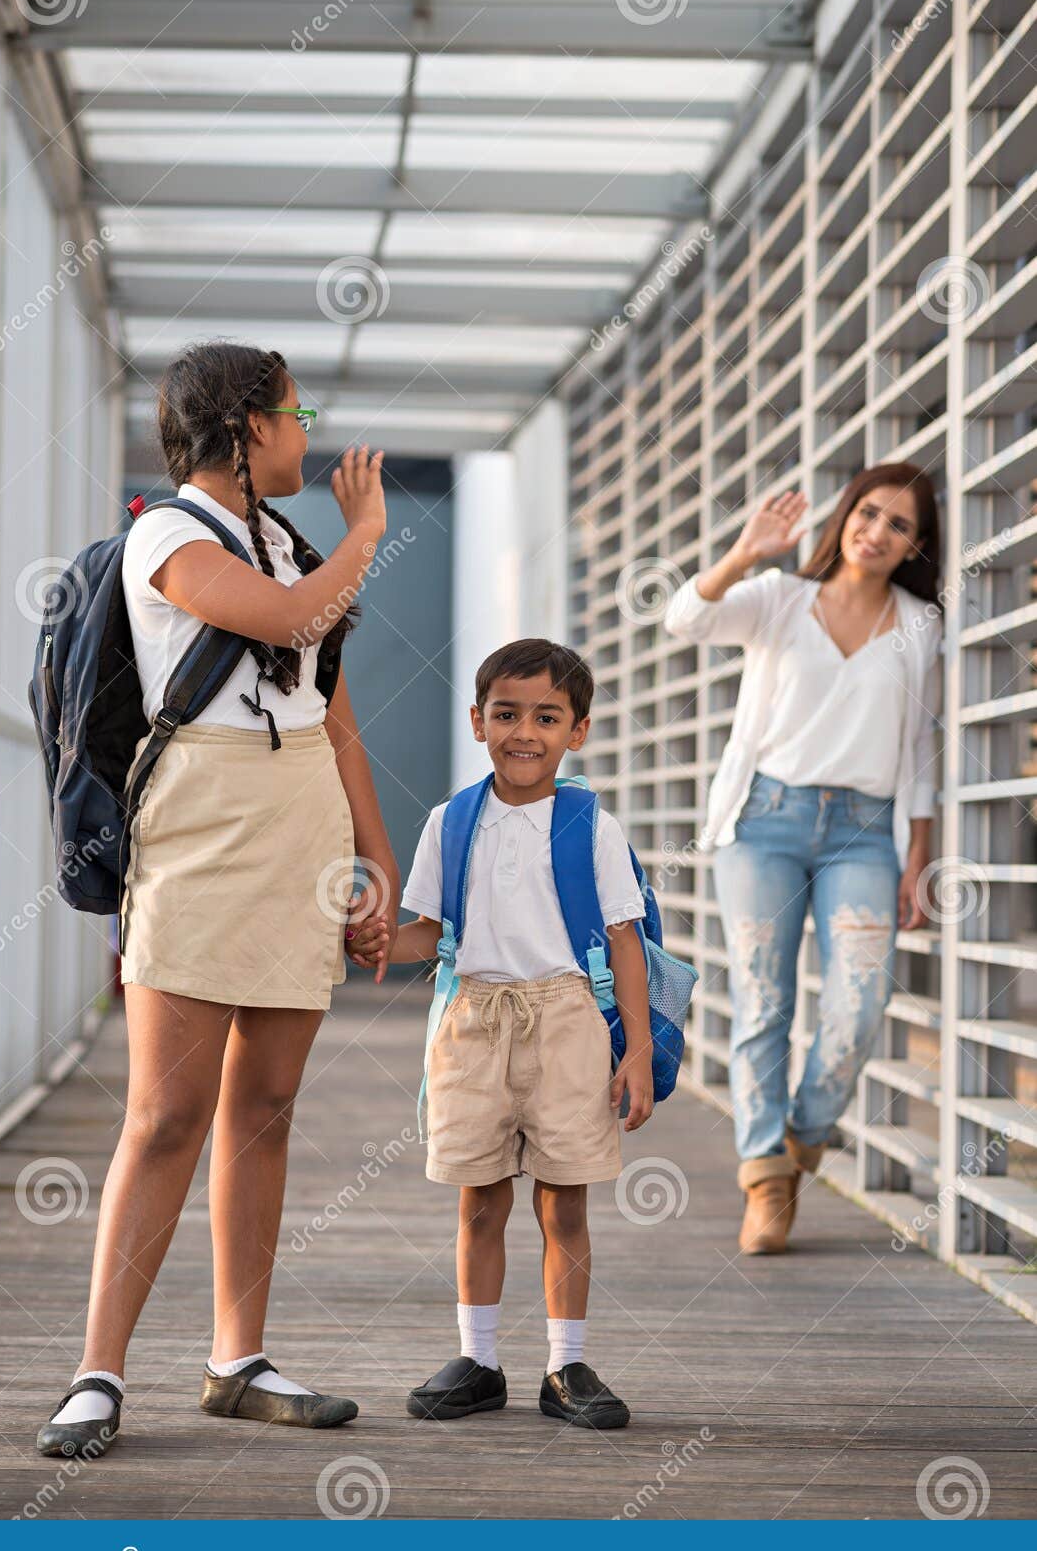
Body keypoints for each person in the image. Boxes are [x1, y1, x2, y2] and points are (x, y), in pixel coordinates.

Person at [37, 341, 399, 1458]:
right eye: (294, 414)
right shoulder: (166, 533)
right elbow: (287, 623)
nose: (309, 434)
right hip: (200, 825)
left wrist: (372, 862)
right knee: (164, 1115)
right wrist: (370, 538)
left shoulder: (285, 543)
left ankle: (237, 1357)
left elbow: (331, 712)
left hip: (299, 821)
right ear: (243, 432)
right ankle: (97, 1373)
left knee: (267, 1106)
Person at [349, 639, 652, 1429]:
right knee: (479, 1200)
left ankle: (565, 1365)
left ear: (577, 731)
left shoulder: (593, 825)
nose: (526, 731)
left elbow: (625, 940)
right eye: (507, 713)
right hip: (473, 1018)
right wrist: (376, 940)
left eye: (547, 717)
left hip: (566, 1018)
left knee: (564, 1203)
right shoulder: (451, 822)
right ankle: (479, 1360)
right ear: (478, 720)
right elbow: (428, 933)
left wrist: (640, 1052)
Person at [664, 463, 943, 1255]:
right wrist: (747, 551)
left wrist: (920, 850)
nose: (876, 531)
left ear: (915, 544)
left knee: (858, 1008)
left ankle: (802, 1143)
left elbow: (922, 745)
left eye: (897, 524)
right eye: (867, 512)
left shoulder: (922, 624)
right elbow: (685, 619)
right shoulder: (781, 597)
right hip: (766, 823)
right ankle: (763, 1178)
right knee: (764, 1004)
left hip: (865, 828)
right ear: (845, 515)